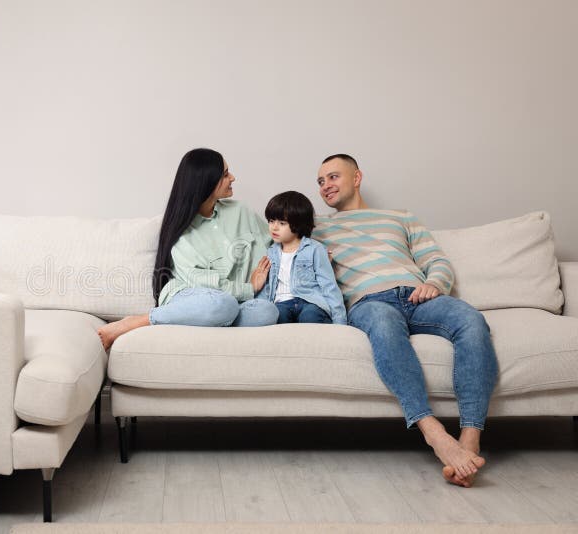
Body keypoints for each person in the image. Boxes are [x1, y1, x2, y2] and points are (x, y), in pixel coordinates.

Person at [313, 154, 498, 488]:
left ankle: (470, 440)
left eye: (333, 176)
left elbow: (436, 260)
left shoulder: (400, 217)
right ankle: (434, 433)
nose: (326, 185)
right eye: (321, 181)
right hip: (368, 301)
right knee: (384, 326)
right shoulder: (317, 228)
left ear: (357, 177)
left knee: (471, 319)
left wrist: (434, 284)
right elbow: (283, 245)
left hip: (418, 295)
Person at [97, 148, 278, 350]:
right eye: (225, 174)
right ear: (206, 182)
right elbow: (205, 284)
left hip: (234, 302)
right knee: (223, 304)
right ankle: (141, 320)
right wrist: (248, 288)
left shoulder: (241, 211)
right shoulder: (181, 233)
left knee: (267, 312)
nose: (233, 178)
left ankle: (209, 320)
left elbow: (277, 242)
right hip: (194, 296)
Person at [256, 191, 346, 325]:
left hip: (310, 301)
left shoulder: (315, 249)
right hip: (281, 303)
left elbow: (329, 285)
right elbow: (267, 287)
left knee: (310, 315)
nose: (274, 227)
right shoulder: (271, 253)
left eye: (282, 223)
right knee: (277, 316)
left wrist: (340, 321)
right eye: (271, 221)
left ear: (298, 224)